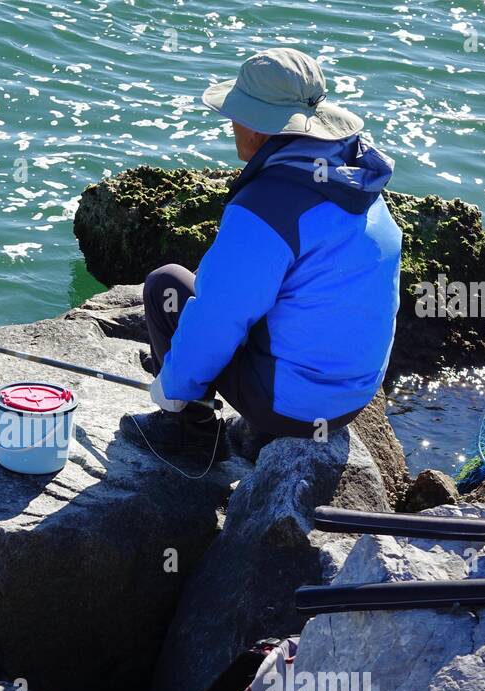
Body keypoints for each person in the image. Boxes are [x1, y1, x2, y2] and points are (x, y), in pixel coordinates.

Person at [123, 48, 402, 459]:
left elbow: (219, 316)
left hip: (291, 407)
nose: (232, 124)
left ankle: (188, 428)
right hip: (352, 395)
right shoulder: (352, 178)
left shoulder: (268, 205)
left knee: (165, 285)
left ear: (258, 126)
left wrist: (170, 388)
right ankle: (259, 417)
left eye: (237, 113)